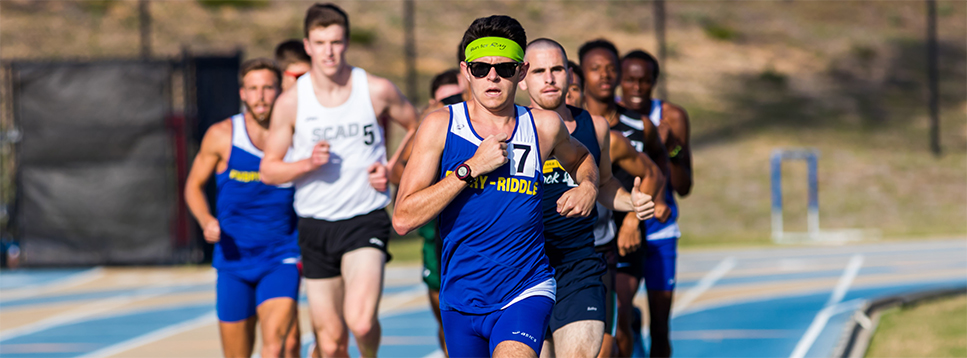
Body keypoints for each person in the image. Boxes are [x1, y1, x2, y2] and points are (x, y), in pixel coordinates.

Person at [393, 15, 605, 358]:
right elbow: (403, 218)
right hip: (462, 297)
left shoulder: (543, 126)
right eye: (481, 68)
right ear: (465, 71)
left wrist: (588, 187)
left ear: (521, 73)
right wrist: (470, 168)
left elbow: (583, 159)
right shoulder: (440, 126)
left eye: (504, 69)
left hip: (526, 288)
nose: (492, 77)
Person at [259, 3, 420, 357]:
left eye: (335, 41)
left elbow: (418, 124)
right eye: (320, 43)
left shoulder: (375, 89)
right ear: (307, 45)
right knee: (330, 344)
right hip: (315, 224)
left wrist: (393, 166)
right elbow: (268, 169)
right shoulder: (291, 102)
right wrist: (305, 164)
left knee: (360, 322)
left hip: (365, 217)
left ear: (346, 42)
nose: (328, 51)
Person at [518, 38, 660, 358]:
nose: (550, 78)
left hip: (579, 264)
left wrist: (631, 202)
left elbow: (606, 184)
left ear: (570, 75)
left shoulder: (595, 127)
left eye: (557, 69)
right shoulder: (510, 128)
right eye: (539, 71)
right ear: (522, 78)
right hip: (525, 268)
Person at [184, 58, 301, 358]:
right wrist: (206, 219)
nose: (260, 95)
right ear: (243, 93)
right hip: (233, 261)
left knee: (275, 348)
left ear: (279, 92)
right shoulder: (222, 134)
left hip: (281, 255)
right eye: (253, 88)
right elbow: (193, 186)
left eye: (267, 88)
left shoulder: (297, 134)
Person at [579, 38, 673, 358]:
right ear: (581, 75)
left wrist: (643, 210)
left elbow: (657, 167)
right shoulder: (570, 128)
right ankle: (629, 324)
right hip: (583, 237)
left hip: (626, 236)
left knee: (617, 316)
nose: (604, 76)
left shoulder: (639, 124)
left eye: (611, 69)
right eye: (596, 69)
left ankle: (628, 327)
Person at [618, 49, 693, 358]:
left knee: (661, 327)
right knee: (618, 320)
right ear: (620, 81)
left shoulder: (672, 116)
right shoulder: (611, 117)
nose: (637, 88)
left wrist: (671, 146)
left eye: (644, 81)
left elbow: (684, 185)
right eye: (630, 80)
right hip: (623, 228)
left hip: (660, 232)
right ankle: (630, 323)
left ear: (654, 82)